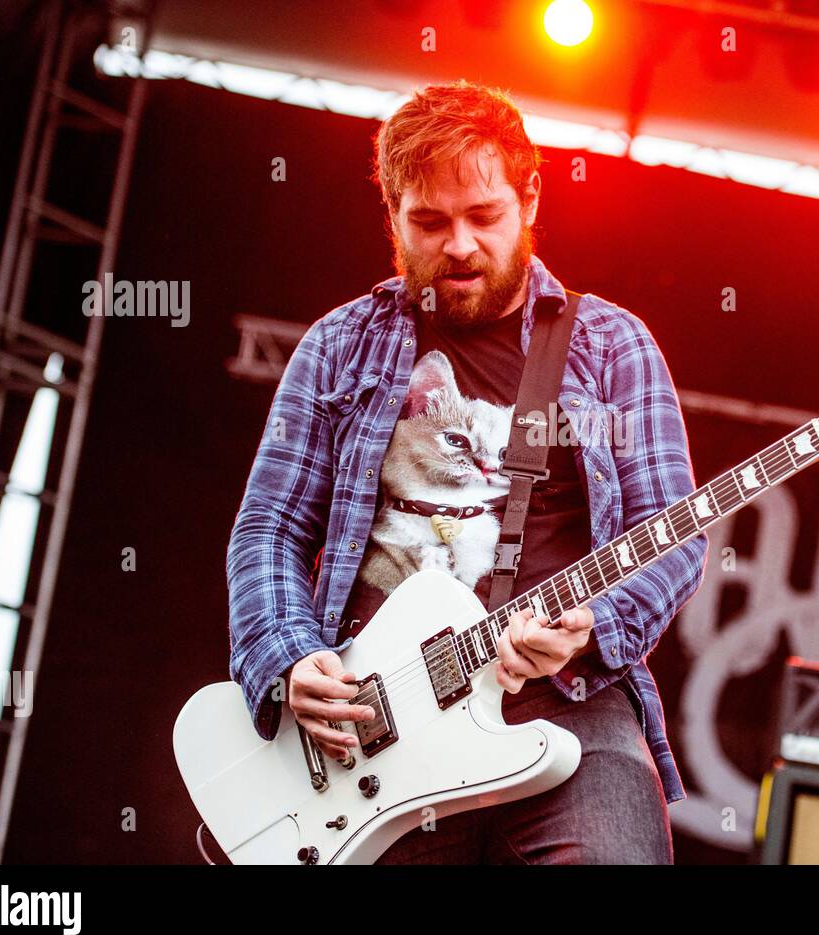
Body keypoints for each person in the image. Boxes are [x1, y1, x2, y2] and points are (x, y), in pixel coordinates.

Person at [226, 80, 707, 863]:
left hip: (569, 702)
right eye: (429, 221)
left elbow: (673, 535)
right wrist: (286, 653)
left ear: (530, 198)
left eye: (484, 217)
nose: (459, 246)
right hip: (372, 725)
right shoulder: (337, 346)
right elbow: (270, 526)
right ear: (391, 214)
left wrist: (593, 627)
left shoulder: (615, 346)